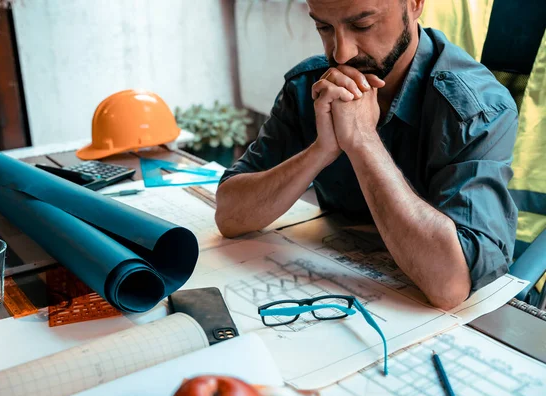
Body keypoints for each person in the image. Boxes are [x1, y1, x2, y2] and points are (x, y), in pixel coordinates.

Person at [215, 0, 519, 310]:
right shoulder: (312, 86)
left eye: (362, 25)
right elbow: (230, 215)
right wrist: (321, 150)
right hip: (340, 285)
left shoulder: (477, 109)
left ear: (414, 4)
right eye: (324, 27)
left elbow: (451, 285)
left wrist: (362, 141)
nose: (341, 53)